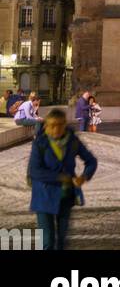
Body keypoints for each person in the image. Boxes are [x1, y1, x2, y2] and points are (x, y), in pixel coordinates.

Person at [28, 107, 97, 252]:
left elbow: (91, 160)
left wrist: (84, 177)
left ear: (65, 125)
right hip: (44, 197)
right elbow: (35, 171)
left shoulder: (72, 141)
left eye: (59, 125)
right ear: (46, 125)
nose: (56, 129)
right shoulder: (40, 143)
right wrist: (60, 177)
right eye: (52, 125)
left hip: (65, 197)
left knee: (61, 242)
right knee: (47, 242)